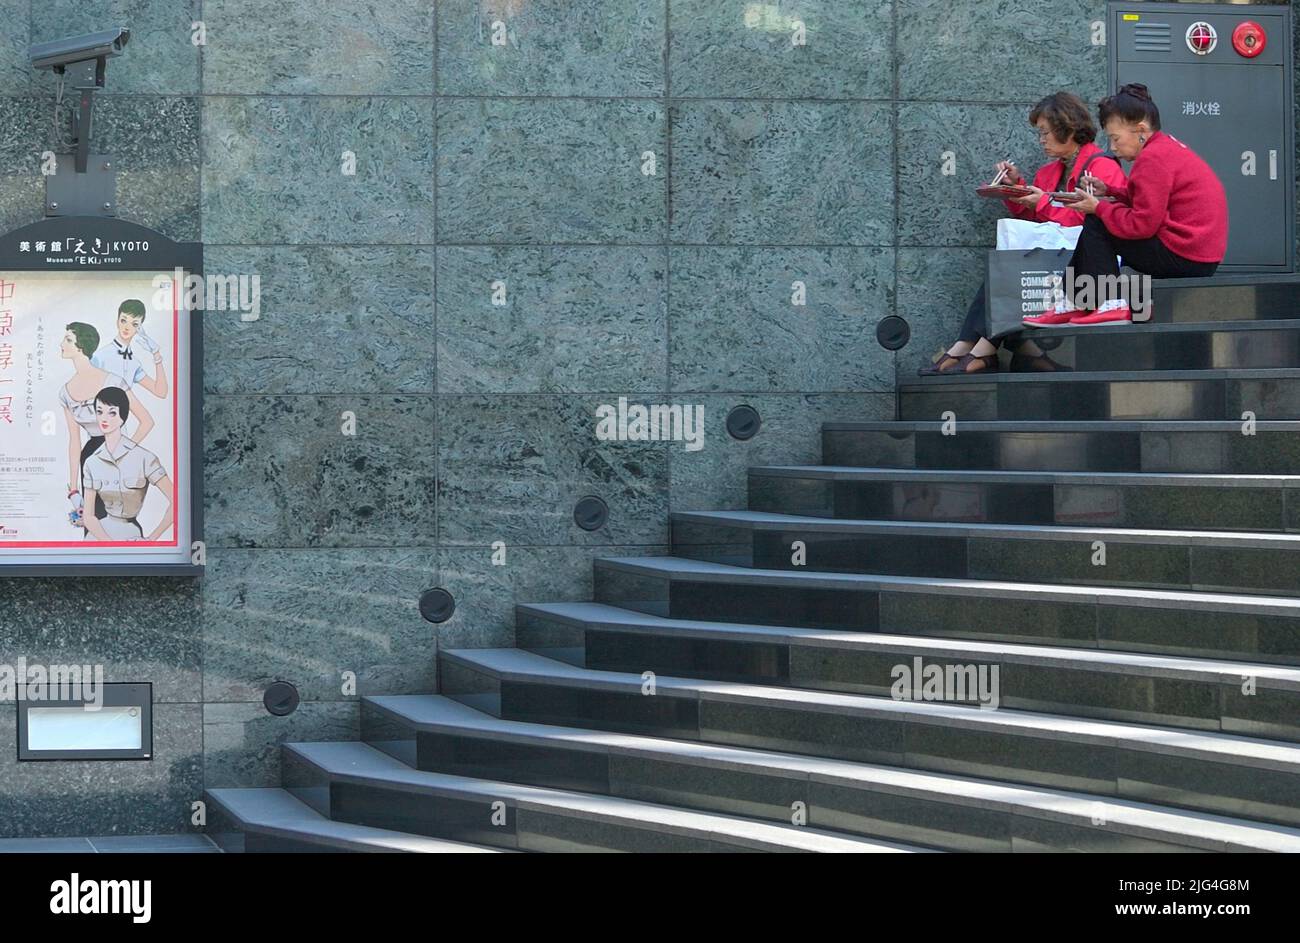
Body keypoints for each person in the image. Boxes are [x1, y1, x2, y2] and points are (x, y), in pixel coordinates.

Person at [920, 91, 1128, 376]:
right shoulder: (1047, 172)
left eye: (1045, 132)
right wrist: (1016, 190)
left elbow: (1094, 224)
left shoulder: (1101, 166)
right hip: (1055, 261)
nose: (1041, 140)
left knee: (1011, 272)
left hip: (1091, 266)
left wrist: (1041, 201)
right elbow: (1039, 224)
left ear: (1067, 128)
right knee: (1009, 269)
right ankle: (1016, 351)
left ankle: (978, 346)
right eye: (1039, 134)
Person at [1022, 83, 1227, 327]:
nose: (1113, 148)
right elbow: (1151, 200)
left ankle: (1105, 300)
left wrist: (1098, 207)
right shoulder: (1164, 148)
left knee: (1098, 220)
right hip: (1198, 255)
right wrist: (1109, 191)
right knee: (1104, 218)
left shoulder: (1152, 158)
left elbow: (1142, 225)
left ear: (1141, 130)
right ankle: (1081, 300)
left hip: (1186, 256)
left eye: (1115, 138)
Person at [58, 321, 153, 530]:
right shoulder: (65, 392)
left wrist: (124, 451)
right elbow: (74, 441)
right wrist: (73, 490)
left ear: (82, 345)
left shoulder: (112, 381)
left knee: (120, 520)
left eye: (68, 339)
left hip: (118, 454)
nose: (61, 343)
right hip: (90, 455)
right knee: (91, 522)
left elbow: (146, 421)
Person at [81, 386, 173, 542]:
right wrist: (108, 543)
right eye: (99, 411)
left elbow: (178, 502)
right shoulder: (92, 462)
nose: (104, 418)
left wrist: (151, 539)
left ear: (123, 416)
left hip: (131, 536)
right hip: (97, 536)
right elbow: (89, 516)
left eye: (112, 413)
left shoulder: (144, 458)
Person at [91, 298, 168, 398]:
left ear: (139, 328)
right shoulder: (99, 356)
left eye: (134, 324)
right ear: (117, 321)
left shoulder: (134, 363)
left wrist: (156, 352)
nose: (127, 327)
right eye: (123, 320)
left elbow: (161, 392)